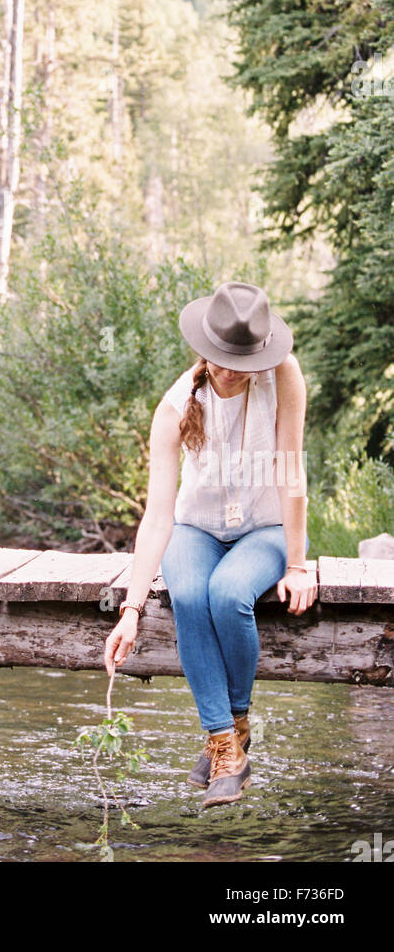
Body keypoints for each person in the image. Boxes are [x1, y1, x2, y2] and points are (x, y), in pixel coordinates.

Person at [103, 281, 317, 807]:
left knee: (227, 595)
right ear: (204, 350)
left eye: (243, 361)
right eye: (222, 360)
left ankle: (234, 727)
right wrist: (130, 609)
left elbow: (292, 476)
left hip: (267, 529)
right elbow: (157, 517)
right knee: (191, 596)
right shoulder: (174, 408)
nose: (232, 371)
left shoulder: (283, 376)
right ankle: (225, 745)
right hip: (194, 530)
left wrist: (297, 564)